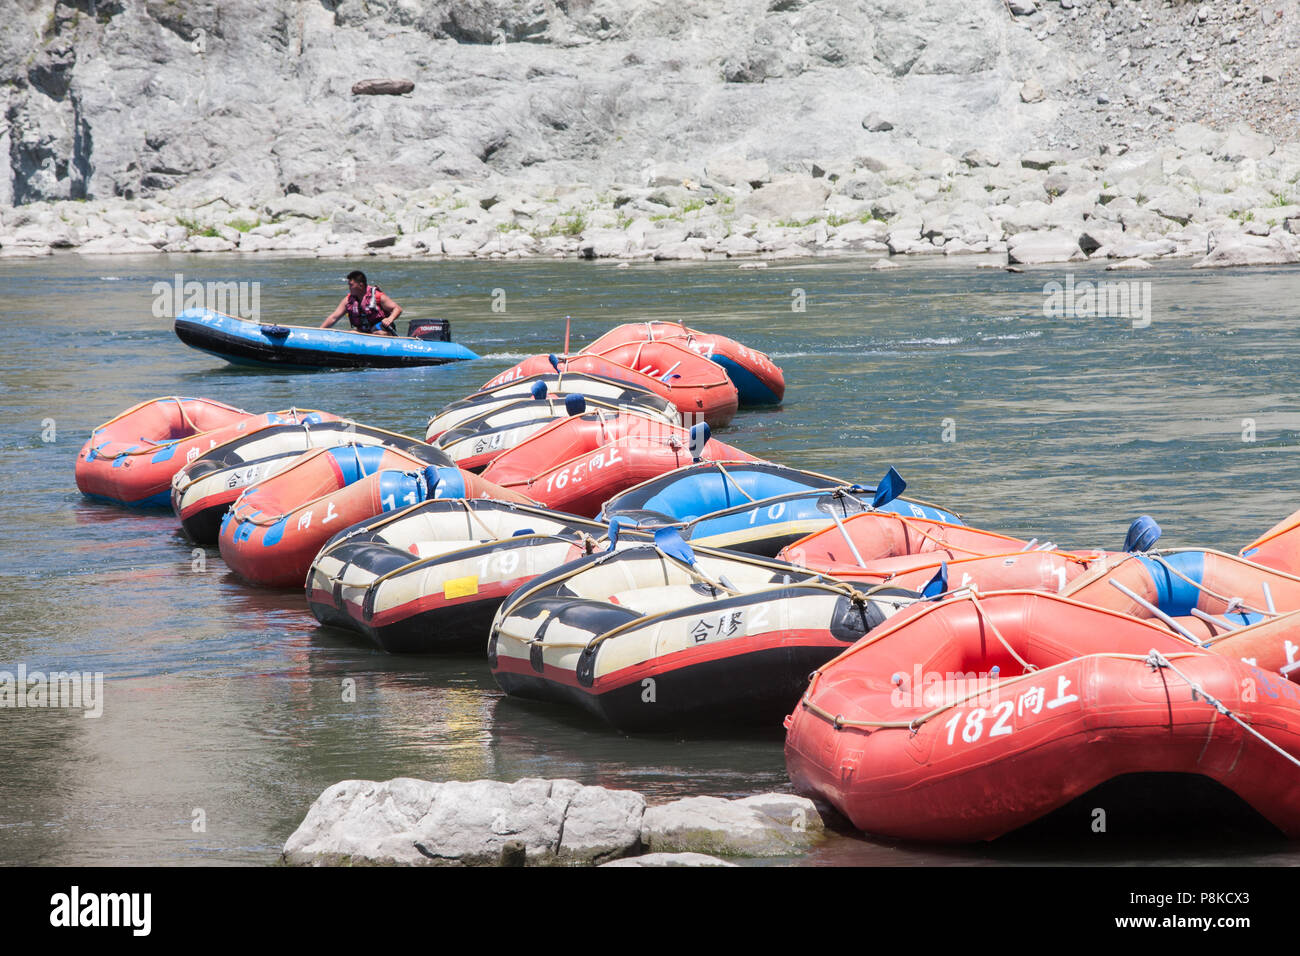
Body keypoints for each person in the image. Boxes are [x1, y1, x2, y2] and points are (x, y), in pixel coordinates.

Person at [320, 271, 402, 335]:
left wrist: (389, 319)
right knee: (351, 333)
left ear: (361, 285)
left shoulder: (377, 296)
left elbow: (397, 309)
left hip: (381, 331)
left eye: (351, 285)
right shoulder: (348, 300)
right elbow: (334, 317)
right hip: (364, 332)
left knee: (378, 333)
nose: (349, 288)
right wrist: (320, 331)